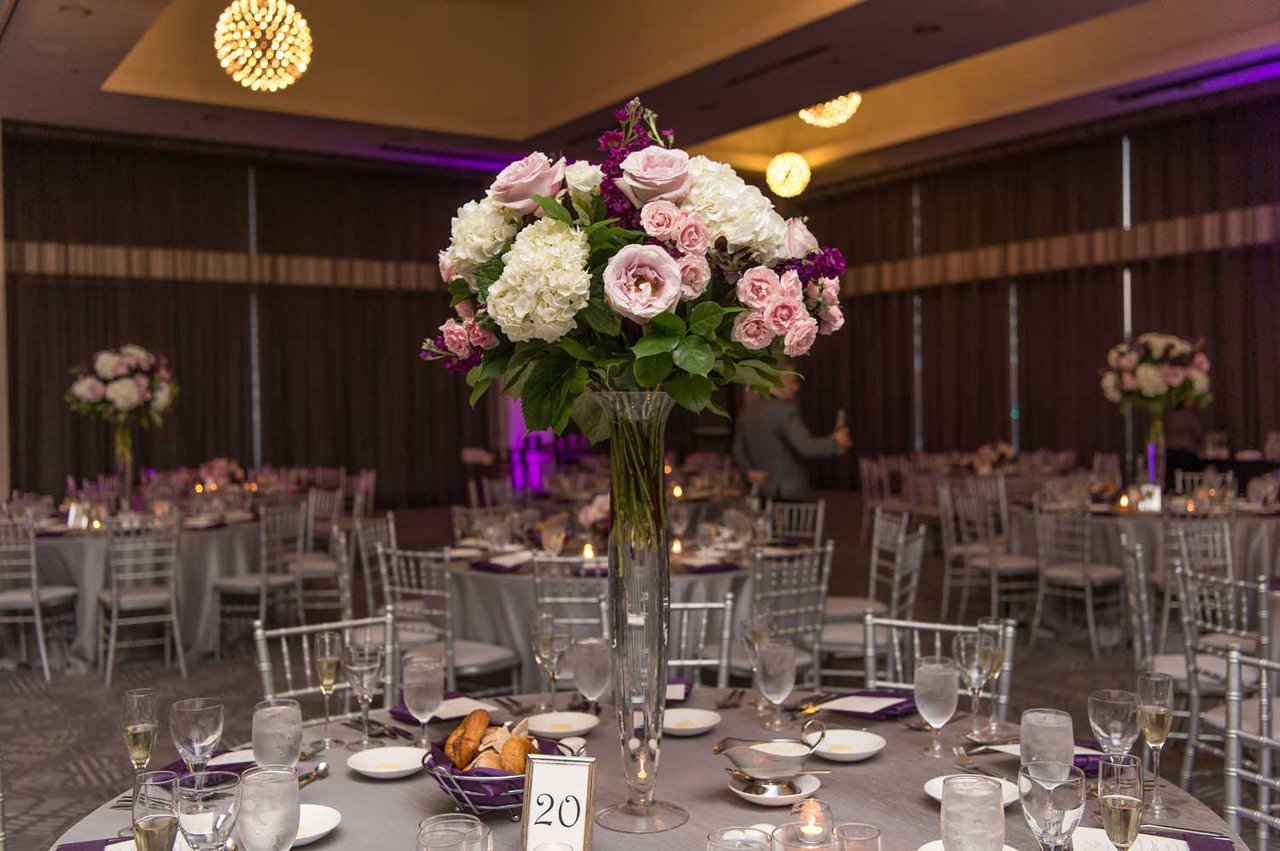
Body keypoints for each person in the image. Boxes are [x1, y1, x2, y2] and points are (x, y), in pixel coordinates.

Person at [731, 371, 852, 501]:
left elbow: (737, 449)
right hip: (786, 491)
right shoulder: (785, 410)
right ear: (779, 382)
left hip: (759, 489)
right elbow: (806, 447)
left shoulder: (748, 410)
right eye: (792, 382)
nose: (796, 387)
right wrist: (835, 441)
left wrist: (748, 471)